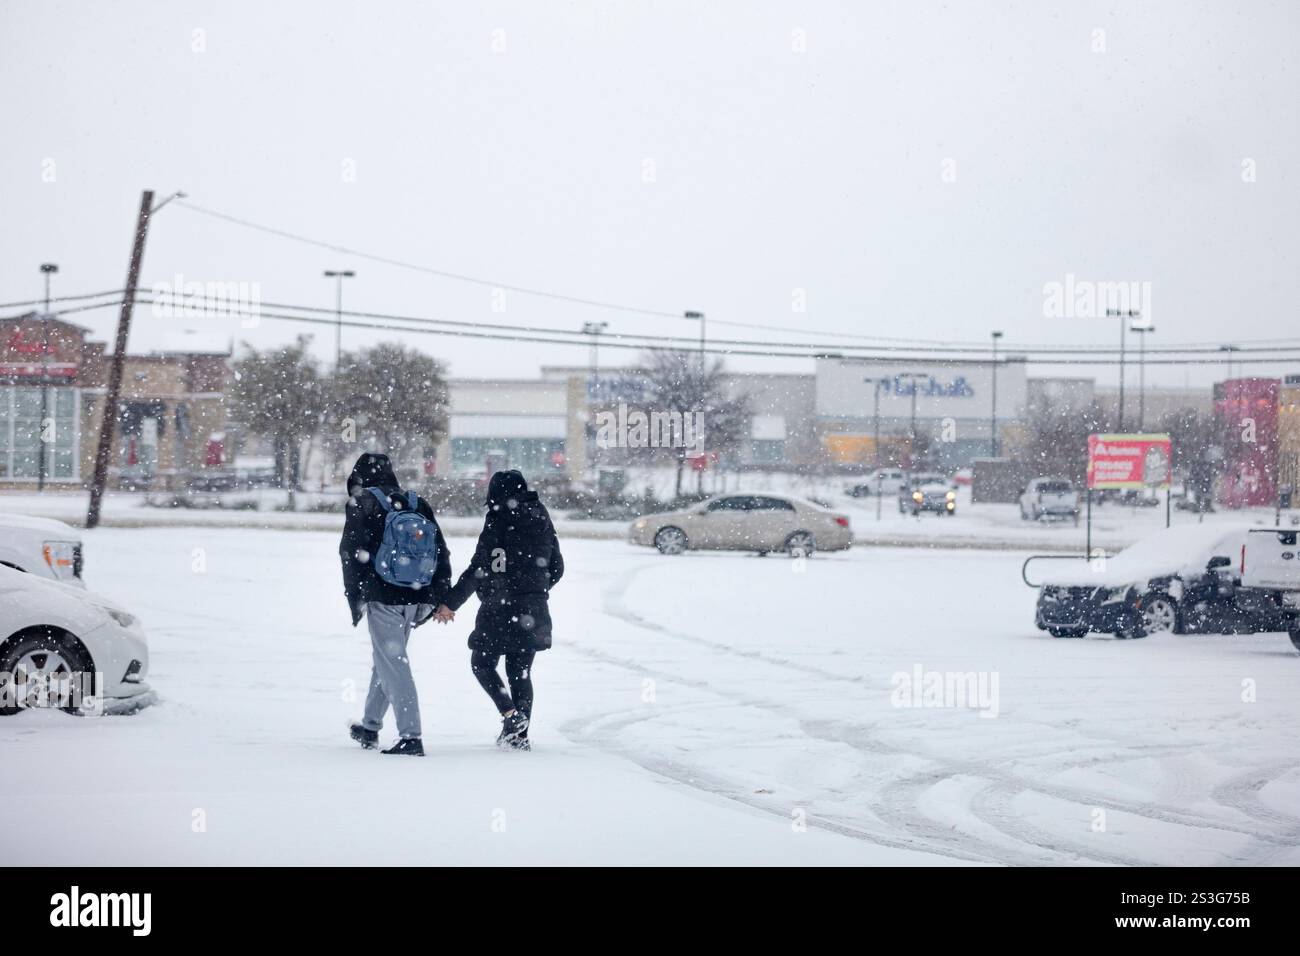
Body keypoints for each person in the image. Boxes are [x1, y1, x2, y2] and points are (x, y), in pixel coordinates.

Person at [438, 470, 563, 751]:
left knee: (481, 663)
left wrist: (451, 602)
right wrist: (535, 590)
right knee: (520, 672)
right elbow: (557, 567)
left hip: (499, 607)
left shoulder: (497, 518)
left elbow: (479, 569)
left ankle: (510, 714)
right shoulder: (541, 515)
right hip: (533, 609)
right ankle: (518, 737)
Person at [340, 452, 452, 757]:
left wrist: (356, 600)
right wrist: (437, 597)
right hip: (416, 596)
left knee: (394, 664)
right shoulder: (416, 502)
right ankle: (370, 726)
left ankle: (411, 736)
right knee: (387, 659)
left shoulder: (363, 503)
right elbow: (442, 552)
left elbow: (350, 555)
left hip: (384, 598)